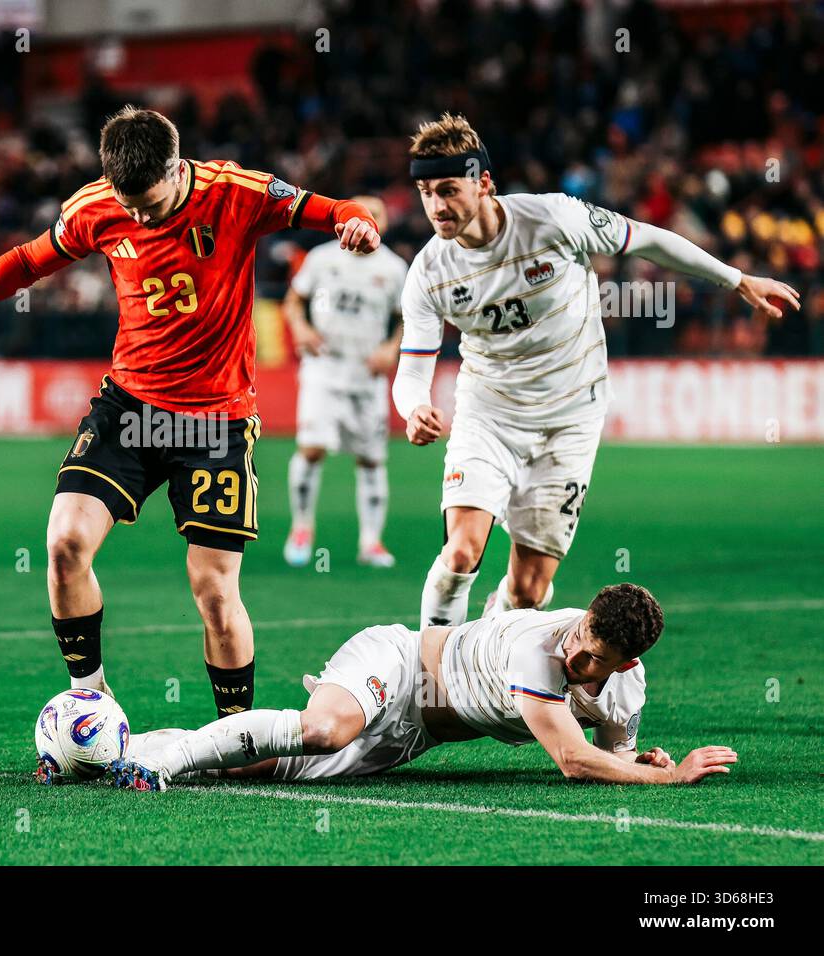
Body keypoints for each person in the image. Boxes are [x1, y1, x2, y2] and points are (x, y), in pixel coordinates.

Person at [0, 105, 381, 722]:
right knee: (65, 544)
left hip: (216, 422)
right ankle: (90, 703)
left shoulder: (236, 192)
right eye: (131, 207)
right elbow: (28, 261)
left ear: (176, 168)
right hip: (129, 409)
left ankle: (235, 737)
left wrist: (359, 223)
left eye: (150, 206)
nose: (141, 218)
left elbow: (332, 209)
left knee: (214, 591)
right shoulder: (96, 205)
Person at [390, 114, 800, 628]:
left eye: (448, 190)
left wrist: (736, 279)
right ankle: (434, 670)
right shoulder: (428, 272)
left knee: (528, 590)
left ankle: (497, 633)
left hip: (571, 420)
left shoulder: (553, 219)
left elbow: (648, 239)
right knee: (460, 553)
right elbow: (412, 369)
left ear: (483, 183)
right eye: (426, 193)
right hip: (489, 416)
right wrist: (415, 407)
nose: (436, 206)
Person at [109, 583, 738, 789]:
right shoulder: (537, 648)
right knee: (323, 730)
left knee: (257, 768)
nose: (573, 652)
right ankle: (165, 763)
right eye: (579, 634)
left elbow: (611, 755)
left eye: (592, 657)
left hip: (413, 737)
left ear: (624, 666)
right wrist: (672, 778)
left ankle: (115, 750)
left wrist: (639, 761)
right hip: (401, 663)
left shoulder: (626, 689)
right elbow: (574, 761)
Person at [281, 195, 408, 569]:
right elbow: (293, 300)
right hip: (324, 368)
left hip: (367, 374)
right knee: (312, 449)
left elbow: (407, 318)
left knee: (371, 459)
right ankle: (301, 529)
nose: (370, 220)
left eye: (377, 214)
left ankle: (371, 542)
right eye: (364, 212)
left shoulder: (394, 268)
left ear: (384, 223)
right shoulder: (322, 258)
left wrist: (391, 348)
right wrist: (301, 328)